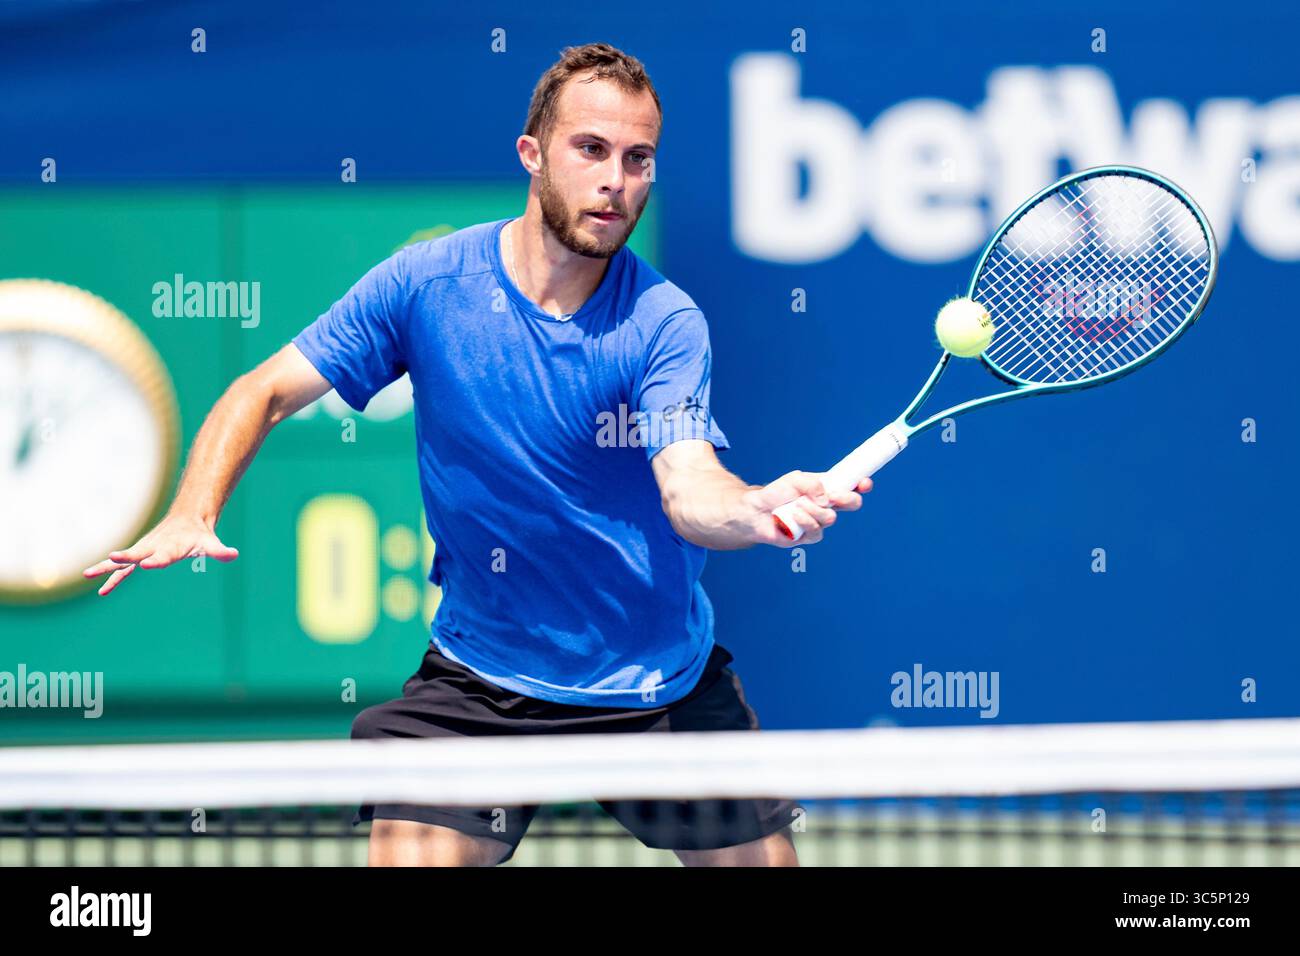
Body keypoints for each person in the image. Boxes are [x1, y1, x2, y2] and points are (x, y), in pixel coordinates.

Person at [83, 42, 871, 866]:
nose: (617, 181)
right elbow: (264, 390)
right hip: (483, 681)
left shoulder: (664, 323)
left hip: (655, 684)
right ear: (532, 154)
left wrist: (751, 508)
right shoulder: (427, 284)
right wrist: (192, 509)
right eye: (591, 150)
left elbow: (688, 486)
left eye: (639, 159)